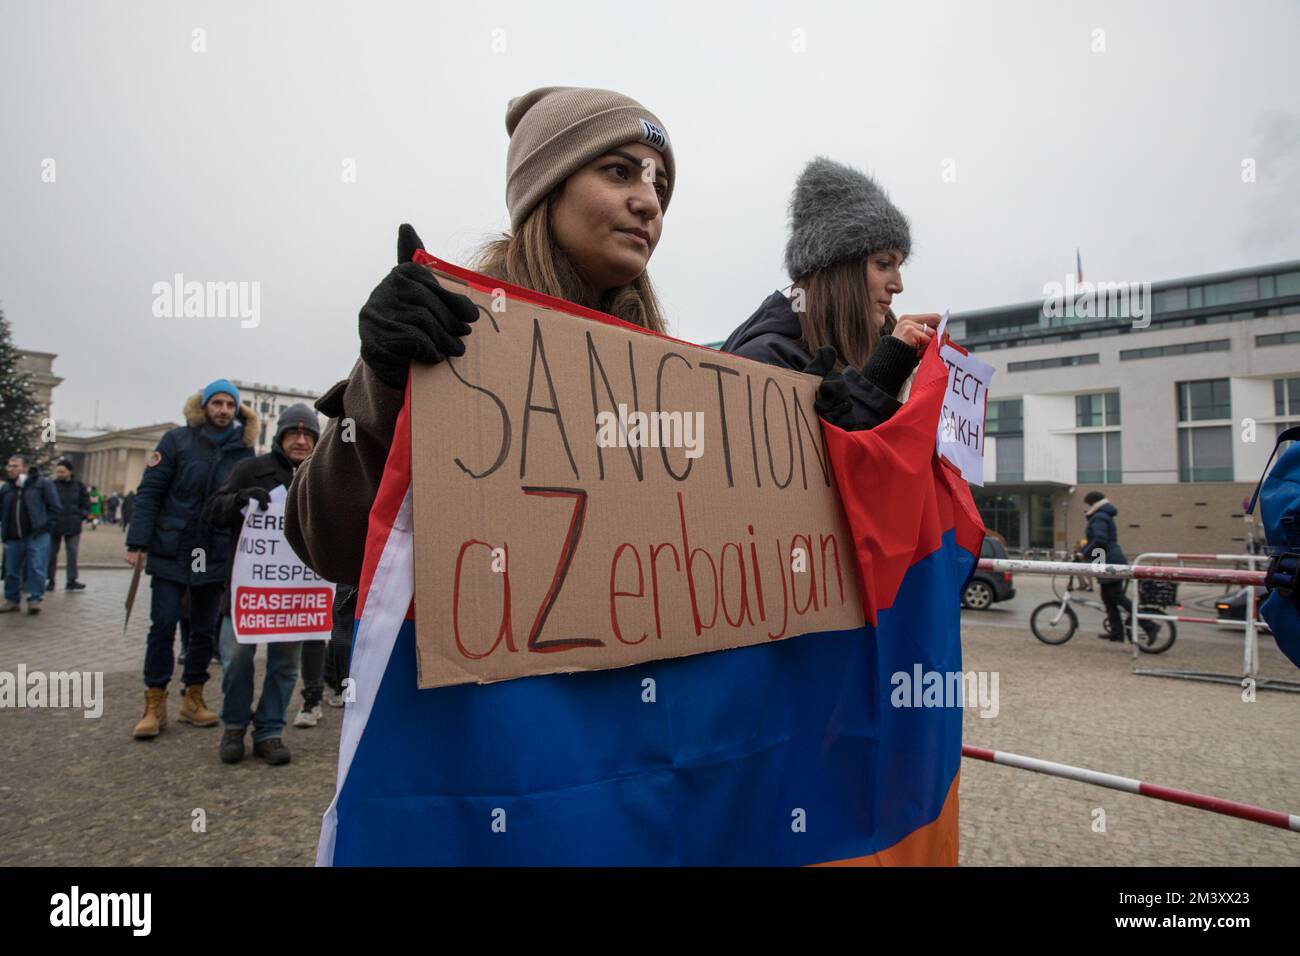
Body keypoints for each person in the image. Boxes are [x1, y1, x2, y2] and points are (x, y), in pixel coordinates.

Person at [722, 157, 939, 431]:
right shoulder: (764, 361)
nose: (898, 284)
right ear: (840, 270)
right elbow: (834, 467)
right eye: (883, 264)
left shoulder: (869, 349)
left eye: (899, 266)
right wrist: (883, 374)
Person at [124, 380, 259, 739]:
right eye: (217, 403)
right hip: (172, 548)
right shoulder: (175, 442)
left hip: (212, 553)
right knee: (163, 625)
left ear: (238, 410)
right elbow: (150, 492)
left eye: (230, 405)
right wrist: (137, 542)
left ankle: (193, 698)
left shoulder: (244, 453)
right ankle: (154, 704)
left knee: (202, 630)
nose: (224, 411)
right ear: (204, 406)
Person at [205, 403, 319, 765]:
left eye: (307, 434)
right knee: (237, 658)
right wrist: (239, 499)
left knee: (285, 665)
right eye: (293, 433)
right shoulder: (250, 469)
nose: (301, 440)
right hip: (249, 592)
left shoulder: (322, 476)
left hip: (297, 595)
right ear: (280, 436)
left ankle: (269, 731)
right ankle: (235, 726)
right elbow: (214, 512)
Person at [1079, 490, 1157, 642]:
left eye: (1087, 505)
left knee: (1116, 596)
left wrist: (1084, 553)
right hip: (1105, 559)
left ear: (1093, 504)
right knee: (1108, 598)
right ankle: (1117, 632)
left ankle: (1148, 625)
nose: (1086, 508)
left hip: (1109, 560)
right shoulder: (1101, 515)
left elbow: (1100, 540)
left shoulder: (1099, 517)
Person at [0, 455, 60, 615]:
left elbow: (54, 507)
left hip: (37, 535)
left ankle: (35, 599)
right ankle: (12, 600)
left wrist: (45, 527)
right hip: (13, 537)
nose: (9, 469)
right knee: (11, 570)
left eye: (14, 466)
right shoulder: (7, 488)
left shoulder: (42, 484)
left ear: (25, 468)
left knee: (36, 567)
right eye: (8, 466)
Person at [48, 459, 89, 591]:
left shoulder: (79, 485)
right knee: (51, 554)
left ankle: (71, 580)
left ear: (70, 472)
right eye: (58, 471)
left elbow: (85, 502)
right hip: (55, 525)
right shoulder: (51, 485)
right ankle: (50, 580)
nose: (59, 474)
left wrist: (81, 515)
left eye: (62, 471)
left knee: (72, 552)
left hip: (73, 525)